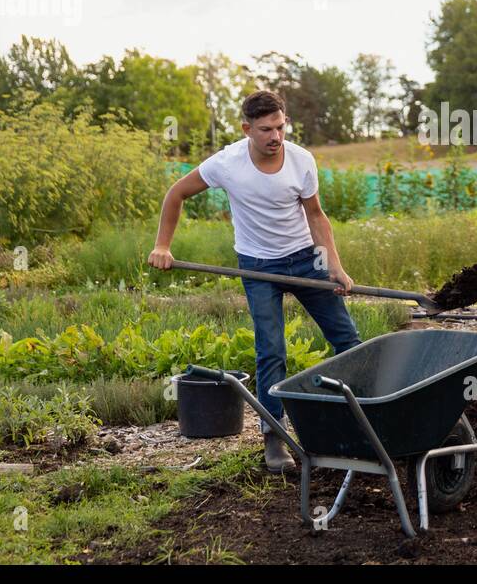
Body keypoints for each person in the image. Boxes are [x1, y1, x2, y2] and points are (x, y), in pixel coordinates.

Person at [147, 89, 360, 473]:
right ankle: (273, 438)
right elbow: (177, 193)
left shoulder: (301, 161)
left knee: (347, 339)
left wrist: (334, 266)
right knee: (271, 351)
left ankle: (365, 420)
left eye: (280, 126)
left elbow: (316, 215)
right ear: (247, 129)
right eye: (265, 129)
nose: (275, 136)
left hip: (306, 260)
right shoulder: (226, 163)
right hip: (258, 266)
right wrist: (163, 245)